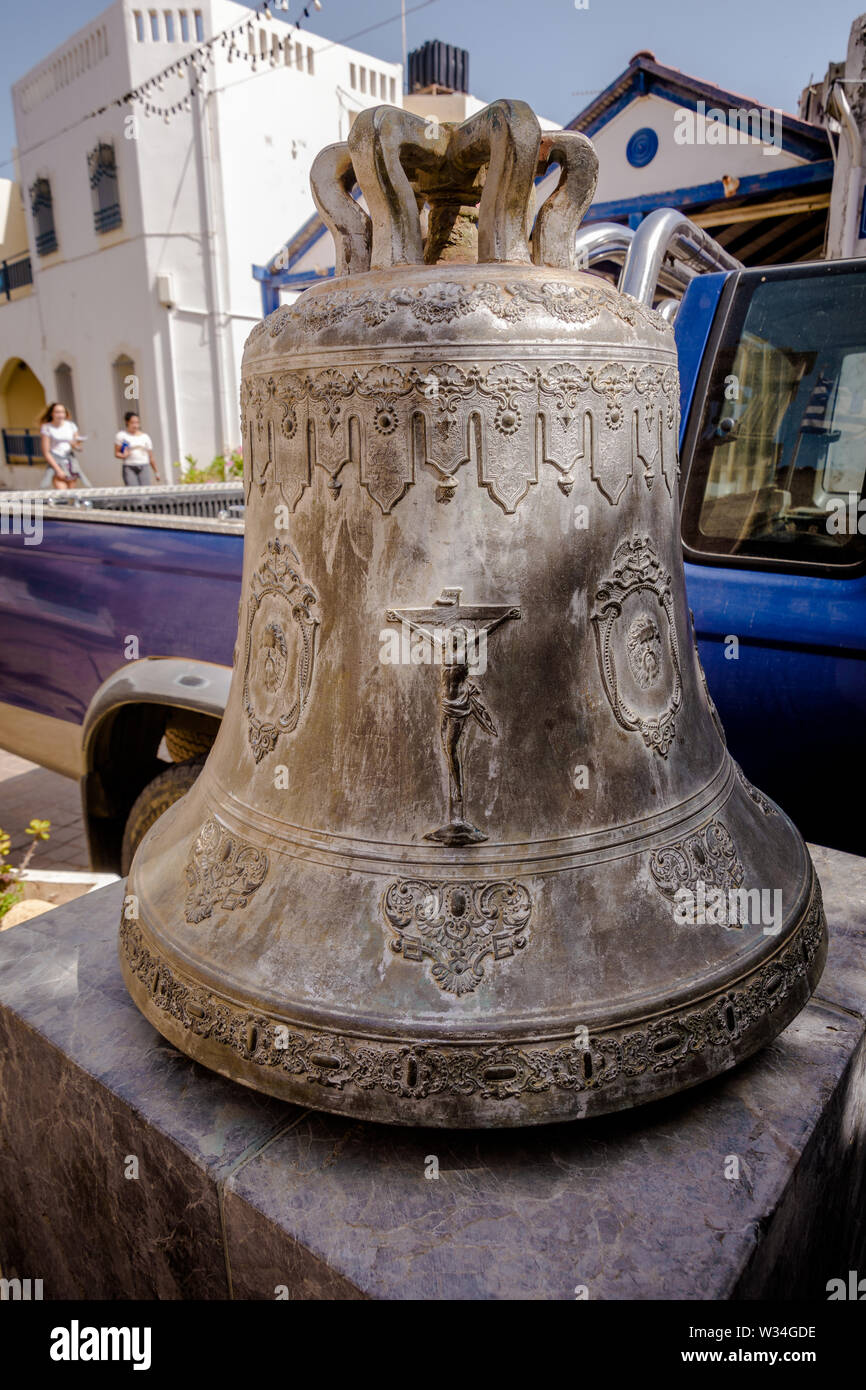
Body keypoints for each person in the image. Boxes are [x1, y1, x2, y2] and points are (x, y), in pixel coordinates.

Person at [39, 402, 91, 489]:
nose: (60, 415)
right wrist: (58, 470)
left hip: (70, 461)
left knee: (71, 493)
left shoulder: (71, 426)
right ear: (52, 413)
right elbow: (46, 452)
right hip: (56, 461)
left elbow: (79, 447)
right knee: (62, 492)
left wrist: (75, 445)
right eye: (57, 412)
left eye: (62, 412)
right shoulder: (47, 427)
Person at [114, 412, 161, 485]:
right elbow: (117, 453)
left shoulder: (145, 437)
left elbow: (151, 457)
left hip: (144, 466)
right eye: (132, 423)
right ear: (127, 422)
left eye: (137, 422)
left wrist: (156, 472)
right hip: (129, 467)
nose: (135, 425)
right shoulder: (121, 435)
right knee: (133, 489)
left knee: (146, 489)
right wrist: (123, 455)